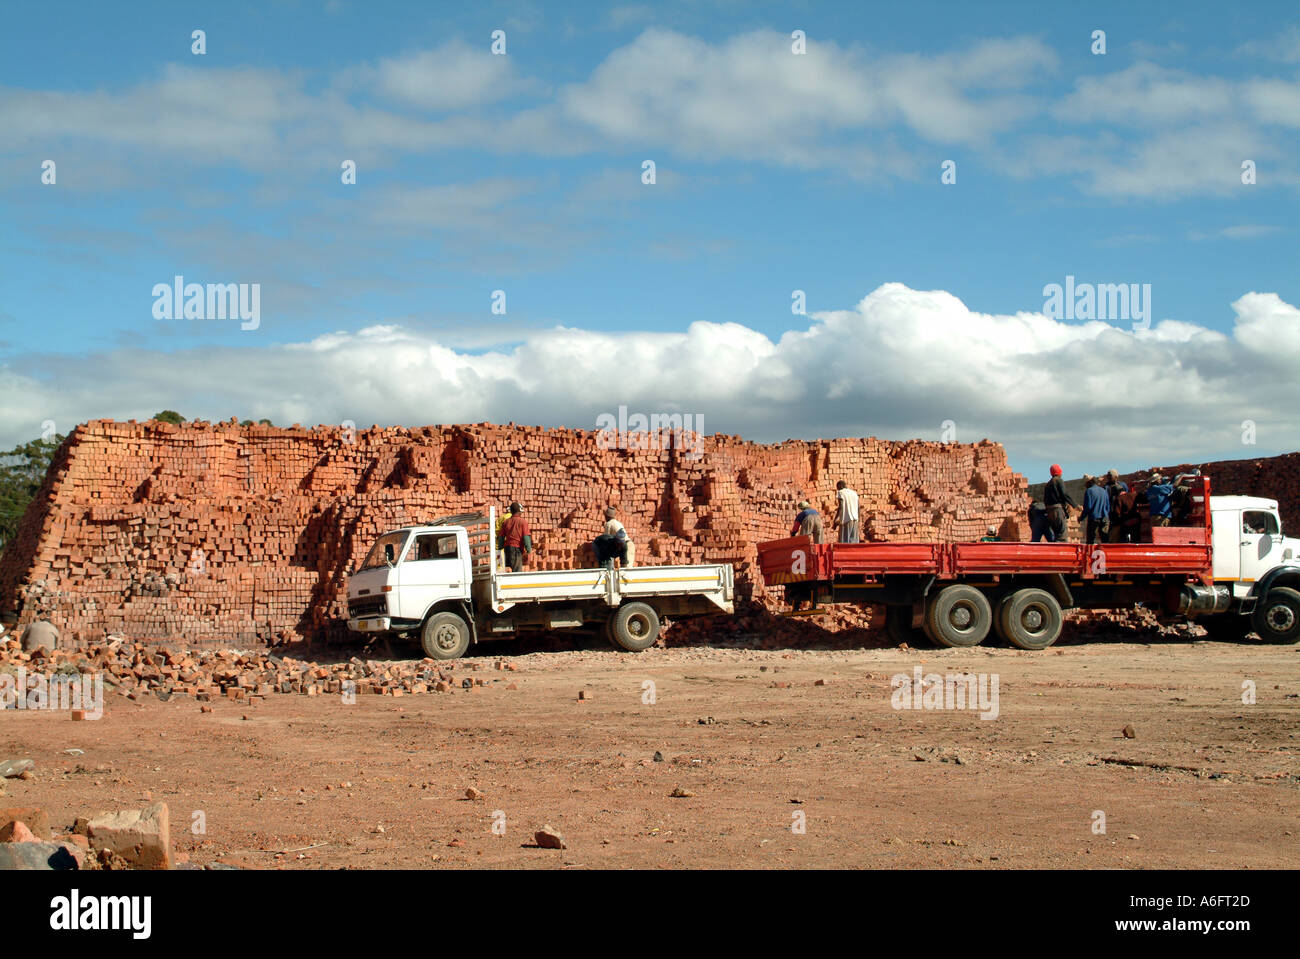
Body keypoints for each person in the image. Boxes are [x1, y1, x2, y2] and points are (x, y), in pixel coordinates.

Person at [1043, 464, 1078, 542]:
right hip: (1057, 510)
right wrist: (1074, 505)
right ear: (1059, 472)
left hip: (1050, 511)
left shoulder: (1048, 484)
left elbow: (1045, 499)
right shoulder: (1058, 480)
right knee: (1062, 535)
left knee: (1056, 534)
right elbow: (1064, 494)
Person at [500, 501, 532, 572]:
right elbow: (526, 538)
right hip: (516, 550)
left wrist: (500, 549)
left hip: (507, 549)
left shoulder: (506, 522)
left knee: (508, 570)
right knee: (516, 572)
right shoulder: (522, 522)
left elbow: (501, 537)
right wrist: (529, 551)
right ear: (519, 512)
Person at [1079, 474, 1111, 545]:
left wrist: (1081, 518)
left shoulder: (1089, 491)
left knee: (1090, 541)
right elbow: (1108, 506)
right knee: (1105, 540)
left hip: (1094, 519)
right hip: (1105, 518)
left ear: (1088, 483)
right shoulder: (1103, 491)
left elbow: (1088, 507)